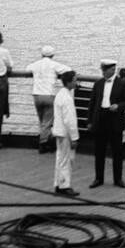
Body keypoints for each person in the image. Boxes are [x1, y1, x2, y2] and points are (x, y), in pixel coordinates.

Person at [87, 58, 125, 189]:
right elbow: (92, 103)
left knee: (117, 151)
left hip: (115, 119)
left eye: (107, 70)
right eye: (104, 70)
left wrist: (118, 106)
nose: (104, 73)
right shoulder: (98, 84)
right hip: (101, 118)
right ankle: (98, 178)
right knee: (99, 150)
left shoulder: (122, 84)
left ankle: (118, 179)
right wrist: (89, 121)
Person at [26, 45, 70, 154]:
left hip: (37, 95)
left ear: (41, 54)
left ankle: (46, 140)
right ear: (53, 55)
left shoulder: (36, 64)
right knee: (48, 122)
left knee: (42, 121)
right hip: (49, 95)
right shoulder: (54, 65)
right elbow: (68, 70)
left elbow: (27, 69)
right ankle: (43, 143)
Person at [52, 69, 80, 197]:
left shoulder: (60, 94)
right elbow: (70, 120)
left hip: (58, 131)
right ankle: (65, 186)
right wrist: (74, 137)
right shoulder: (67, 98)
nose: (76, 82)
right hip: (65, 133)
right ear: (69, 82)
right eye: (74, 80)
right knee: (66, 160)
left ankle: (58, 183)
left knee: (60, 158)